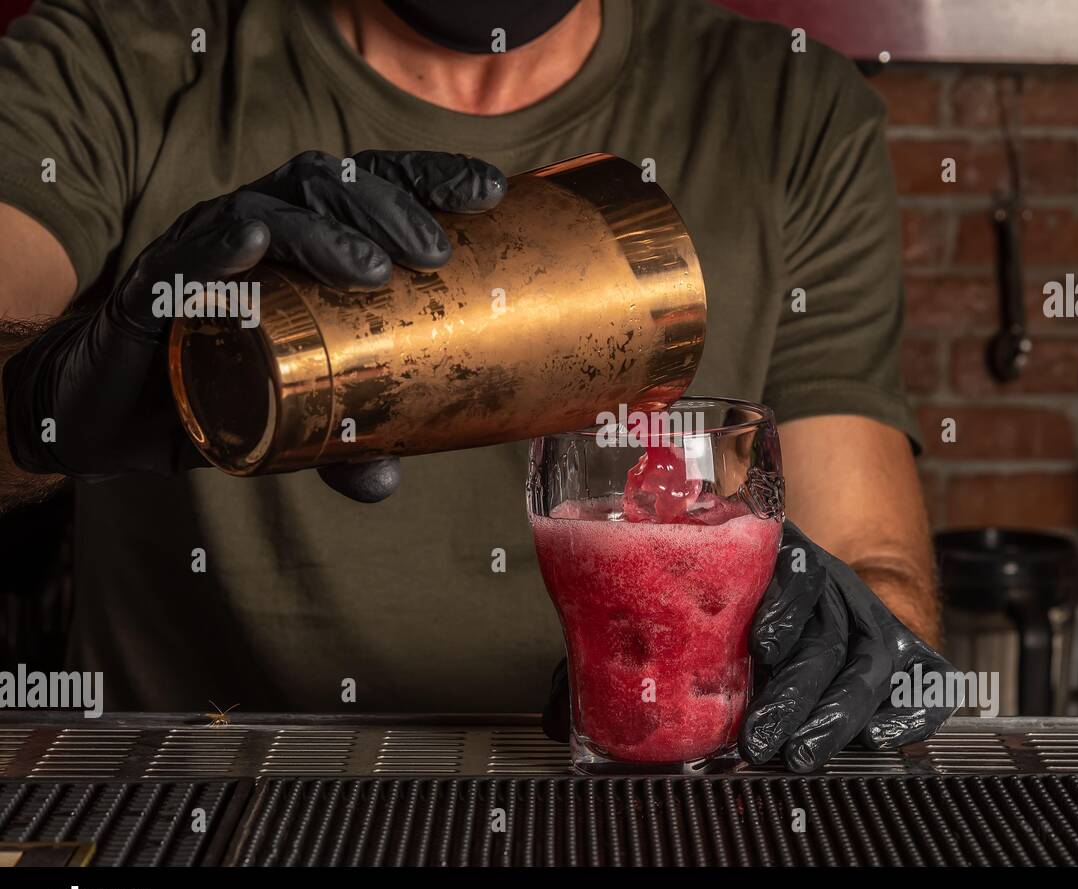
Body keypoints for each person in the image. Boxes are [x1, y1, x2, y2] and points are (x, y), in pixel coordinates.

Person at [0, 0, 953, 771]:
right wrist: (42, 406)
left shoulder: (786, 105)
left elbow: (876, 566)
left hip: (630, 805)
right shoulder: (123, 52)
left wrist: (830, 645)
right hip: (199, 795)